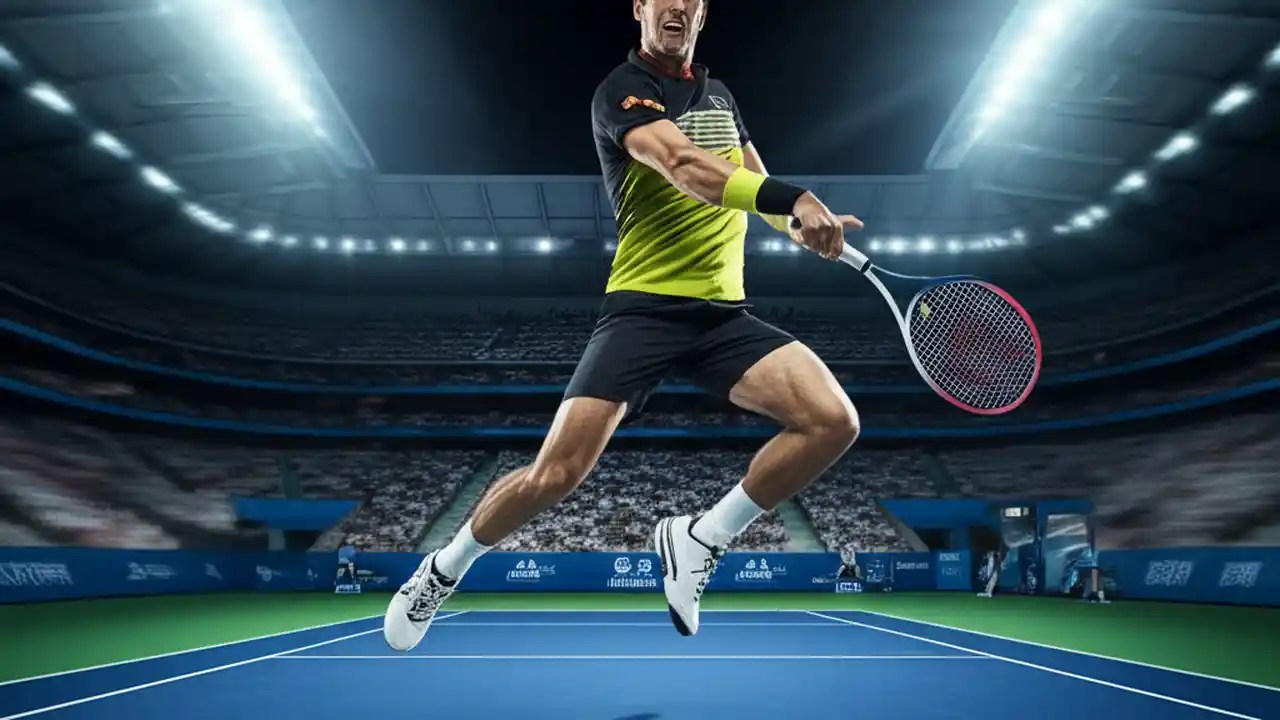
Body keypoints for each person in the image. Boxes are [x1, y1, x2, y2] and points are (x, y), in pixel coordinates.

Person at [384, 0, 864, 651]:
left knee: (833, 421)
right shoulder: (623, 91)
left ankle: (701, 539)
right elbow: (687, 167)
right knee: (555, 475)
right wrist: (793, 200)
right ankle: (442, 571)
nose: (675, 7)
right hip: (643, 311)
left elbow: (754, 182)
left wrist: (802, 225)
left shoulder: (720, 94)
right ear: (639, 8)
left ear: (702, 13)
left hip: (722, 317)